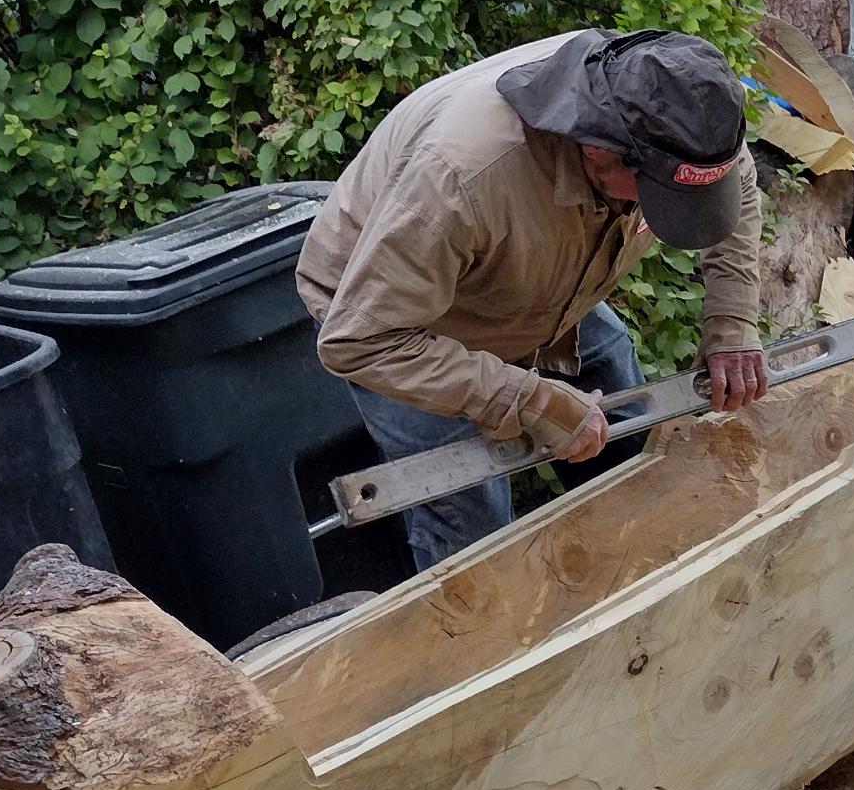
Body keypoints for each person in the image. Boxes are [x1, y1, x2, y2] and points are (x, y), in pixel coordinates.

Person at [297, 28, 769, 569]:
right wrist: (530, 401)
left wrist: (732, 320)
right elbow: (360, 341)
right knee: (477, 536)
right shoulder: (459, 177)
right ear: (599, 151)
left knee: (633, 440)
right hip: (402, 323)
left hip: (535, 276)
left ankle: (639, 573)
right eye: (662, 199)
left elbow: (735, 186)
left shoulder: (676, 109)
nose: (667, 211)